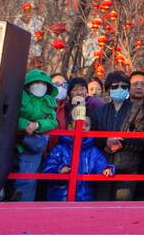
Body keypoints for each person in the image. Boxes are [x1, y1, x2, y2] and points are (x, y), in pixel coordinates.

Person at [91, 70, 144, 201]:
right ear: (108, 89)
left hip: (127, 167)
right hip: (102, 166)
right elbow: (91, 137)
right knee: (100, 205)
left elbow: (142, 137)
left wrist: (121, 143)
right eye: (115, 86)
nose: (120, 89)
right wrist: (105, 141)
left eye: (124, 86)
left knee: (122, 208)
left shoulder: (138, 111)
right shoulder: (98, 112)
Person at [14, 69, 60, 202]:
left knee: (27, 179)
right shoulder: (18, 95)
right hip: (10, 139)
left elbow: (53, 121)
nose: (40, 86)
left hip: (32, 143)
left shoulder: (49, 101)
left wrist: (37, 125)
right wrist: (24, 124)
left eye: (44, 84)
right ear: (28, 84)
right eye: (37, 82)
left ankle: (22, 207)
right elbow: (7, 113)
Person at [43, 127, 115, 202]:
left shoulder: (93, 151)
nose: (83, 127)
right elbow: (48, 170)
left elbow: (101, 165)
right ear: (69, 127)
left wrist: (106, 169)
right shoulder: (58, 149)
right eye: (79, 124)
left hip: (85, 200)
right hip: (60, 199)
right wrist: (60, 170)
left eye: (87, 125)